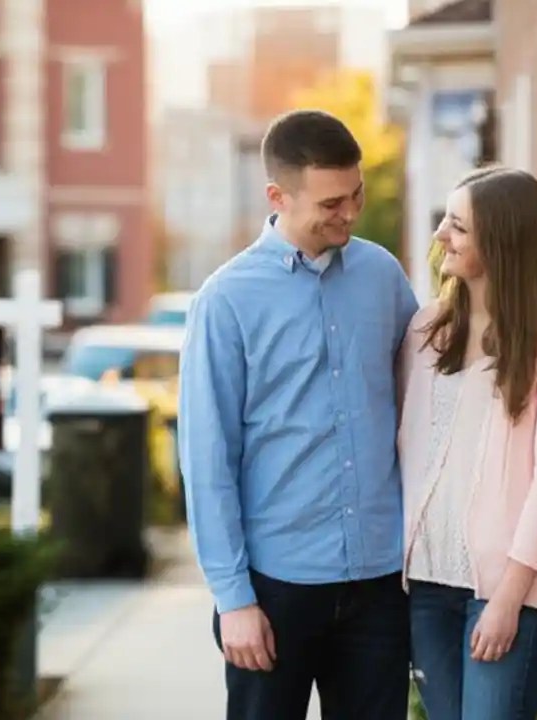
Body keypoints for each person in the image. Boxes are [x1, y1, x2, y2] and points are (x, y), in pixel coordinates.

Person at [178, 108, 419, 720]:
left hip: (379, 583)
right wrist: (233, 599)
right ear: (277, 196)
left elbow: (423, 404)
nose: (349, 212)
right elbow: (207, 461)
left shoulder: (383, 277)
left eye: (355, 194)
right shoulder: (226, 300)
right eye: (332, 202)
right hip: (275, 589)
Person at [397, 165, 537, 720]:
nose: (441, 235)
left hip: (506, 588)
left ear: (501, 237)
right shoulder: (428, 328)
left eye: (457, 226)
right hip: (429, 585)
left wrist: (510, 597)